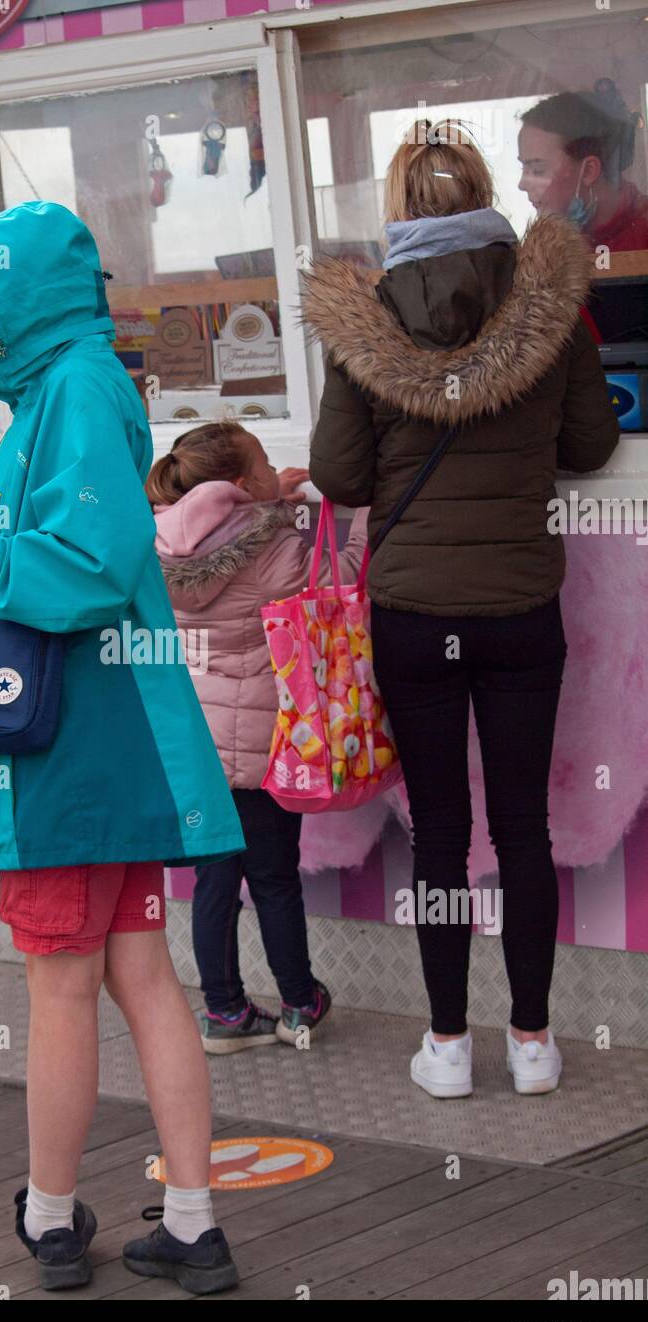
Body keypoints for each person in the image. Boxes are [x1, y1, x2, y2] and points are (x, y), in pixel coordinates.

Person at [0, 201, 246, 1294]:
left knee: (61, 987)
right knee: (143, 973)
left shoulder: (74, 391)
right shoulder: (77, 387)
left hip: (66, 750)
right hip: (110, 744)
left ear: (23, 298)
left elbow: (94, 561)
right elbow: (84, 545)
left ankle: (51, 1220)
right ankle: (190, 1223)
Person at [304, 121, 620, 1099]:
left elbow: (339, 475)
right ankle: (532, 1042)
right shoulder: (549, 311)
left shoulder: (367, 328)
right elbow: (594, 445)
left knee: (440, 830)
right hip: (520, 604)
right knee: (522, 825)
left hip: (413, 613)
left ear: (400, 210)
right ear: (486, 192)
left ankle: (447, 1044)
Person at [147, 420, 368, 1051]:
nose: (280, 469)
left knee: (215, 880)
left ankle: (224, 1013)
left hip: (200, 744)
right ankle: (300, 1002)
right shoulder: (272, 547)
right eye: (269, 462)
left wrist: (271, 501)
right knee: (273, 877)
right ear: (241, 485)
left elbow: (226, 532)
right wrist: (371, 514)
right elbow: (342, 577)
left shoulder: (157, 539)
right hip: (266, 743)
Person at [519, 79, 648, 252]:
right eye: (523, 168)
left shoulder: (642, 234)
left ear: (588, 171)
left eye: (537, 170)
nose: (522, 184)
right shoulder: (544, 246)